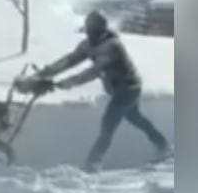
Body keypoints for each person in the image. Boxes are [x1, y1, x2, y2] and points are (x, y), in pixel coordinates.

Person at [32, 10, 171, 173]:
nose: (90, 33)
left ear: (101, 30)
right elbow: (70, 60)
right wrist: (43, 74)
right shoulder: (89, 44)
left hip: (128, 88)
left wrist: (65, 83)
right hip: (117, 89)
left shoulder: (112, 46)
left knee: (108, 124)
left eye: (93, 30)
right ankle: (164, 146)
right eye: (89, 30)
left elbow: (93, 72)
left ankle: (93, 163)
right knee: (137, 119)